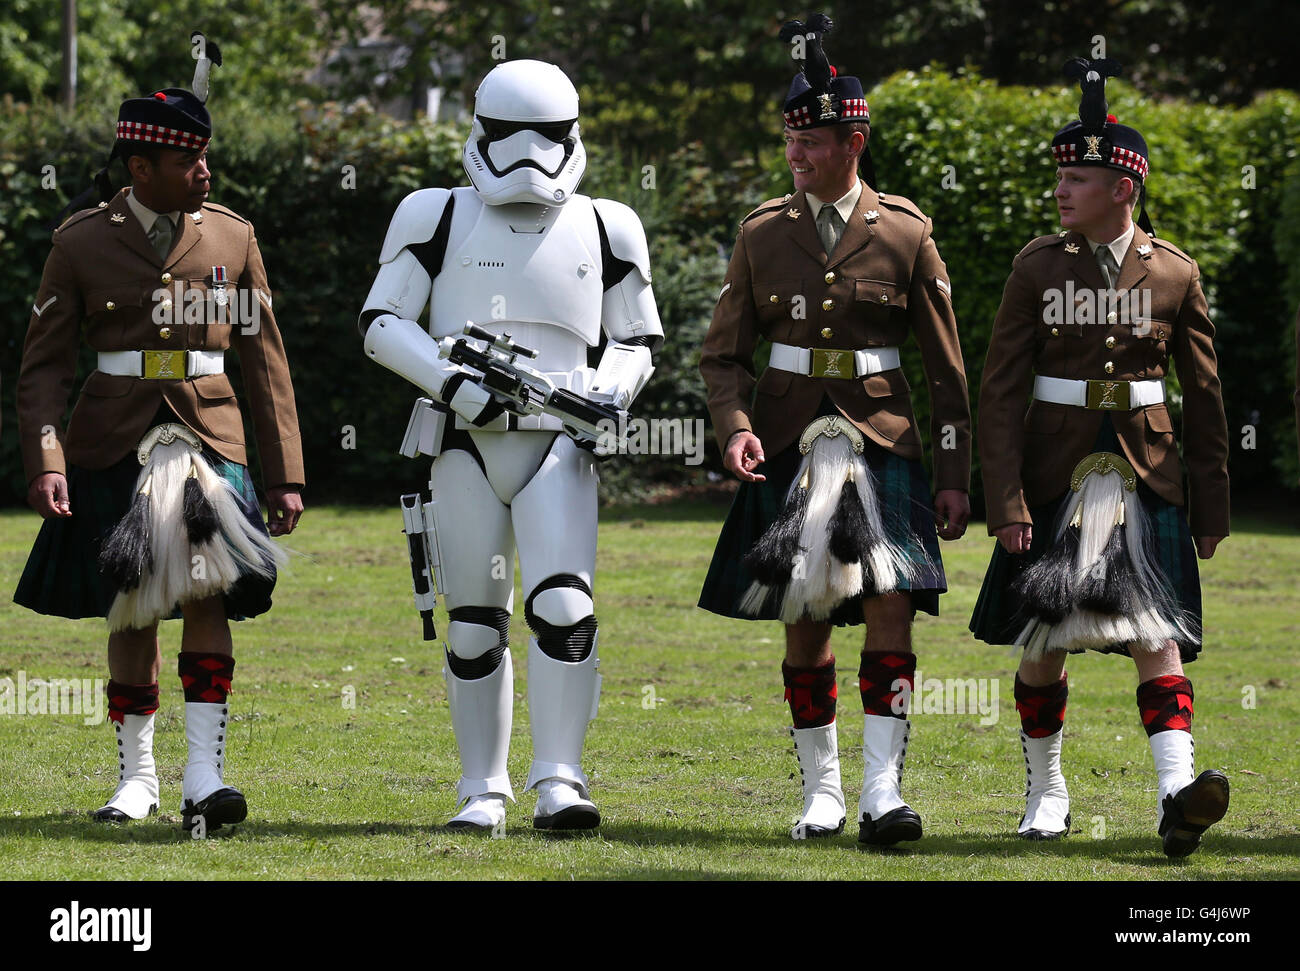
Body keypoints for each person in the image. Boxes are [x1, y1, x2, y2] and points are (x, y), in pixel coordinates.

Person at [359, 59, 661, 832]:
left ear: (570, 137)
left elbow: (635, 338)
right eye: (509, 136)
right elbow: (383, 322)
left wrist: (610, 391)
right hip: (465, 439)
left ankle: (559, 777)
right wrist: (452, 383)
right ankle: (481, 787)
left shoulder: (606, 223)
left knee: (565, 606)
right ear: (480, 134)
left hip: (558, 438)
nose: (527, 156)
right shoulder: (435, 214)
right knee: (473, 620)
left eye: (545, 137)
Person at [698, 14, 971, 846]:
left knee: (893, 607)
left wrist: (956, 475)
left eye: (811, 140)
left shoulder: (907, 232)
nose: (796, 155)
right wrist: (735, 425)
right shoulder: (760, 234)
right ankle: (822, 791)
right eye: (789, 139)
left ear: (853, 140)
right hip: (786, 442)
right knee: (805, 612)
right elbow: (722, 355)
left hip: (884, 440)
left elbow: (947, 371)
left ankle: (885, 793)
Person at [14, 60, 304, 835]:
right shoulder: (78, 243)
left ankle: (205, 777)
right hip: (112, 441)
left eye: (206, 156)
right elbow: (42, 367)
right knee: (130, 604)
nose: (203, 170)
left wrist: (284, 477)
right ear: (140, 168)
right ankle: (136, 777)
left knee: (208, 592)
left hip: (212, 435)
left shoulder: (235, 237)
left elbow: (265, 362)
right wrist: (47, 461)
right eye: (187, 160)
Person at [969, 57, 1230, 857]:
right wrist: (1006, 500)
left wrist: (1212, 504)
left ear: (1123, 187)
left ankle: (1175, 793)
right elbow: (1001, 392)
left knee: (1158, 632)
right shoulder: (1035, 267)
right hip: (1055, 475)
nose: (1062, 190)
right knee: (1045, 639)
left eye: (1077, 178)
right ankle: (1046, 790)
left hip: (1145, 476)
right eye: (1061, 177)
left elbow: (1206, 396)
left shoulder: (1176, 272)